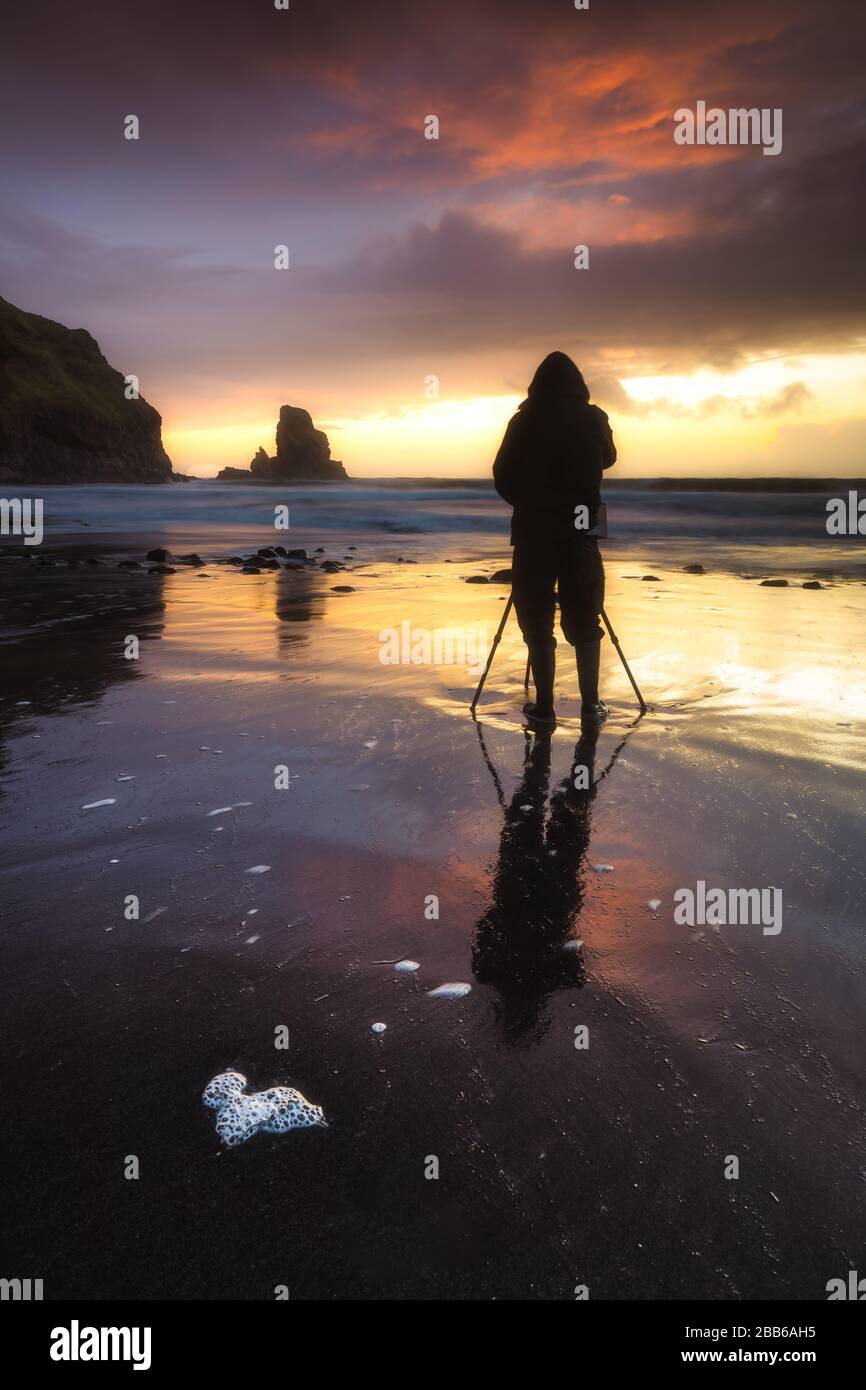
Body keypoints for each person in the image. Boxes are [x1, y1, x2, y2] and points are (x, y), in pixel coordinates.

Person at [493, 351, 616, 726]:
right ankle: (590, 706)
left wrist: (529, 503)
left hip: (534, 527)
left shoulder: (524, 420)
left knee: (536, 615)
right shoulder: (593, 417)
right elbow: (609, 458)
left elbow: (502, 474)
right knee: (584, 614)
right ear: (578, 384)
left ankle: (544, 707)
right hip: (580, 525)